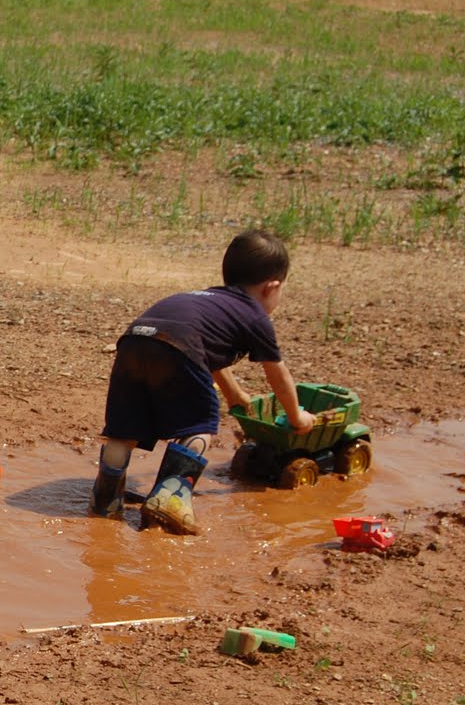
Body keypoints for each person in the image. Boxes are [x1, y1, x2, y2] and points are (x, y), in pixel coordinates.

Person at [89, 229, 314, 535]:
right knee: (199, 423)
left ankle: (106, 497)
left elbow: (208, 357)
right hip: (178, 345)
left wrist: (235, 394)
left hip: (135, 339)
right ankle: (170, 496)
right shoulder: (254, 316)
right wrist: (296, 416)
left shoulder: (209, 300)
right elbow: (277, 373)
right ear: (271, 287)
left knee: (124, 430)